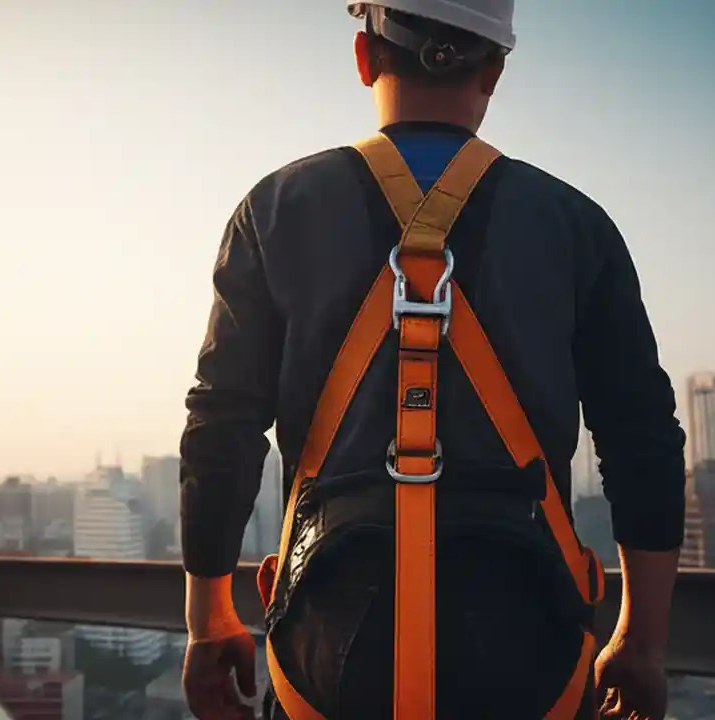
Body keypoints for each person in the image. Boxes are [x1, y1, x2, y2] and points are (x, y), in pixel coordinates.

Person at [179, 1, 686, 718]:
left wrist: (209, 620)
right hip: (526, 648)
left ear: (364, 56)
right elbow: (643, 440)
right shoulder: (574, 226)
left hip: (330, 650)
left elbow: (221, 427)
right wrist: (641, 642)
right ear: (495, 71)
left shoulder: (275, 211)